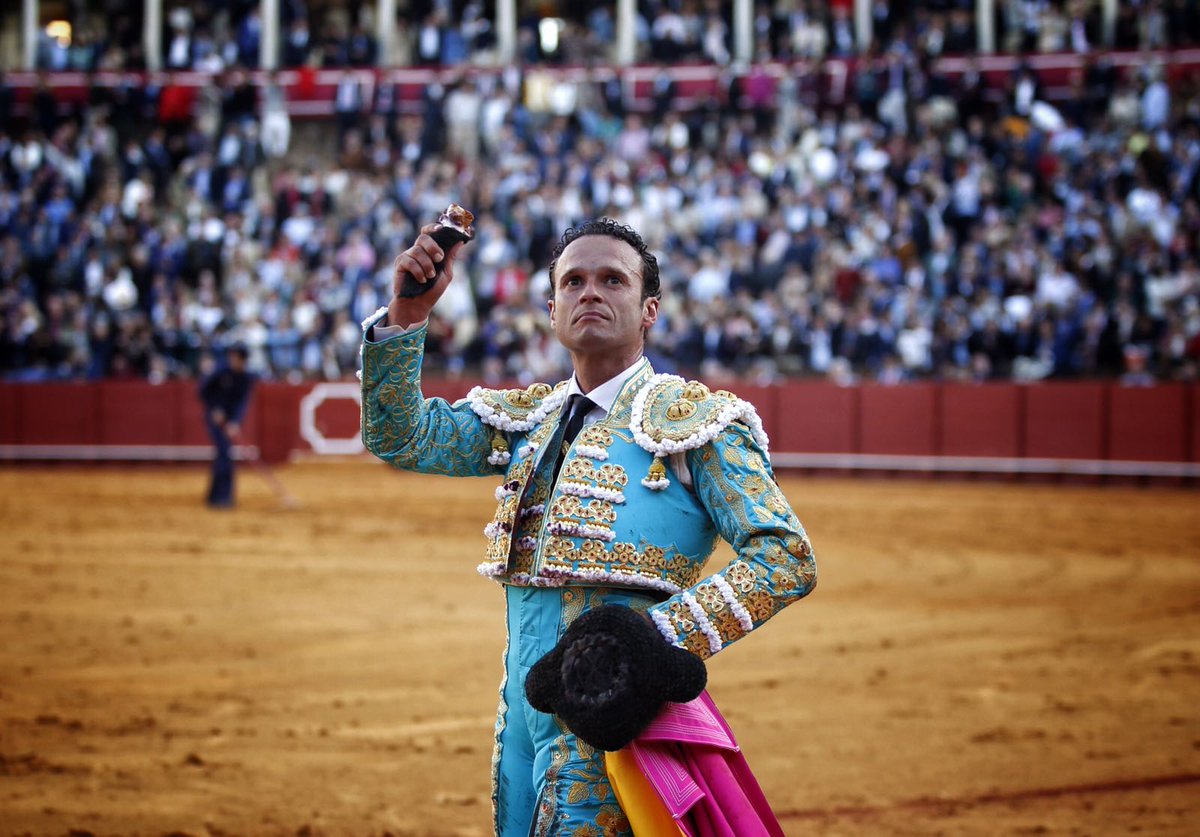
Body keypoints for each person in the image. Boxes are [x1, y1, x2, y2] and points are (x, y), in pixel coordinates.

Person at [360, 218, 816, 835]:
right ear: (552, 310)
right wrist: (409, 313)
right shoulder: (530, 420)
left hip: (619, 713)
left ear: (649, 308)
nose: (591, 292)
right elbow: (401, 436)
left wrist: (649, 643)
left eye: (612, 280)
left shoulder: (696, 422)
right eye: (573, 281)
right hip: (521, 714)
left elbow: (786, 556)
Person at [199, 343, 255, 508]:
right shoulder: (220, 370)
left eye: (239, 359)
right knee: (224, 454)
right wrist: (214, 408)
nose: (235, 361)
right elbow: (203, 390)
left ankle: (214, 496)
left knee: (223, 454)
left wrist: (235, 422)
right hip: (214, 419)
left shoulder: (245, 378)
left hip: (229, 420)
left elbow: (242, 403)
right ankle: (223, 497)